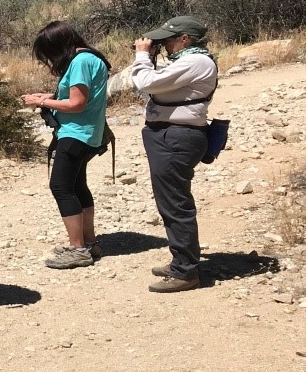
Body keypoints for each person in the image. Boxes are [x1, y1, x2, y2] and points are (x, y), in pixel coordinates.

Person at [129, 15, 219, 293]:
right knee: (170, 201)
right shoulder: (190, 60)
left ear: (184, 39)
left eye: (167, 40)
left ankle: (185, 272)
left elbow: (146, 83)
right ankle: (182, 260)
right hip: (170, 135)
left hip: (176, 137)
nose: (164, 46)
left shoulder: (196, 62)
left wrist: (142, 56)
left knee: (175, 204)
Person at [21, 21, 111, 270]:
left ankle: (78, 249)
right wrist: (49, 97)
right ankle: (89, 243)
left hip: (76, 134)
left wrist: (44, 103)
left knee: (60, 186)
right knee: (77, 185)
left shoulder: (80, 62)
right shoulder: (91, 58)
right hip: (89, 133)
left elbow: (77, 104)